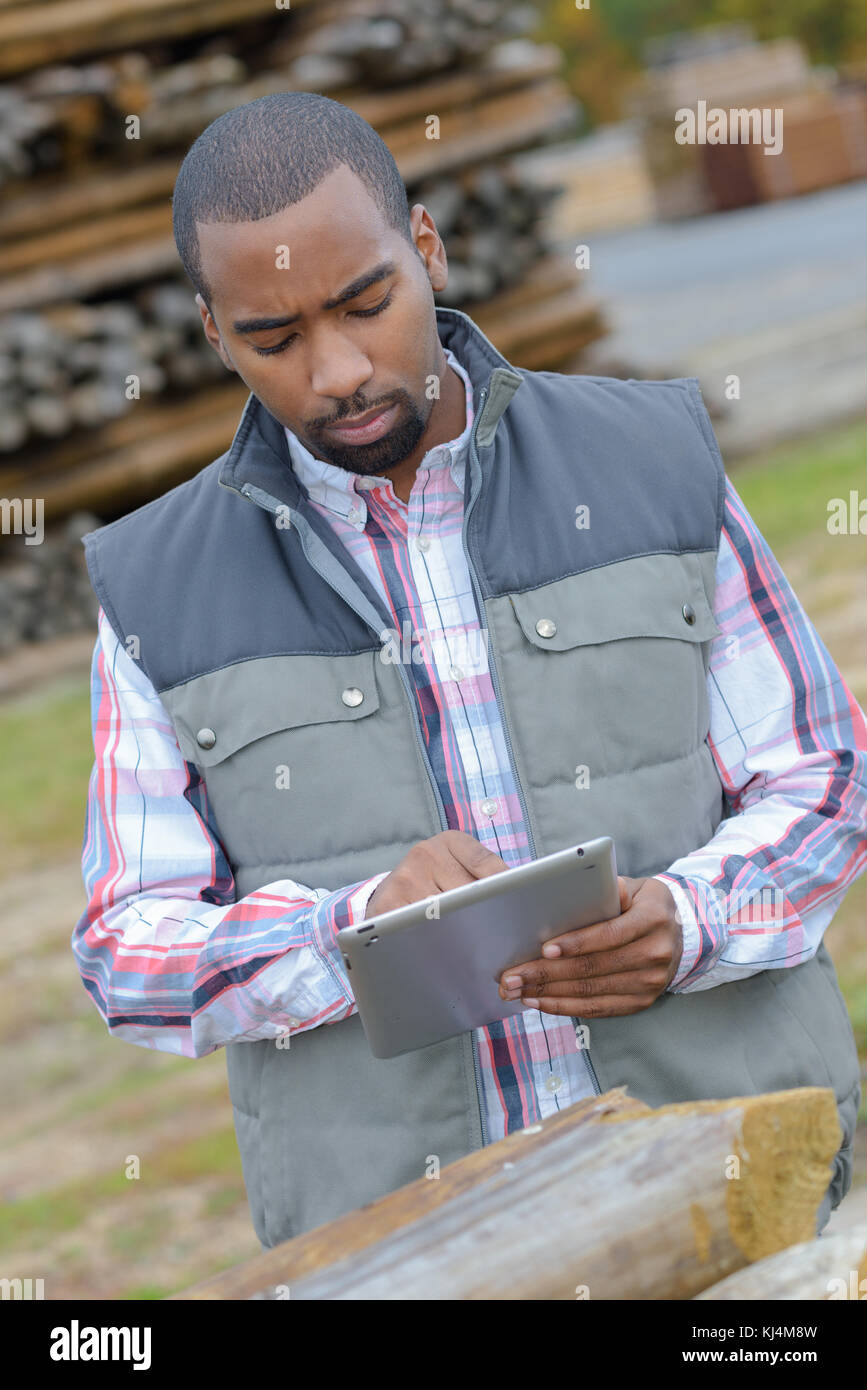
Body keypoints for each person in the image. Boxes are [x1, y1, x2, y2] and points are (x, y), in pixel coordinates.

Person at [72, 92, 867, 1252]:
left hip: (736, 1182)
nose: (339, 371)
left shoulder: (652, 461)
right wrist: (354, 935)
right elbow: (125, 945)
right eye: (274, 339)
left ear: (428, 248)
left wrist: (693, 920)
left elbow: (827, 776)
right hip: (414, 1247)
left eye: (366, 302)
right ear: (211, 332)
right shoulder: (154, 589)